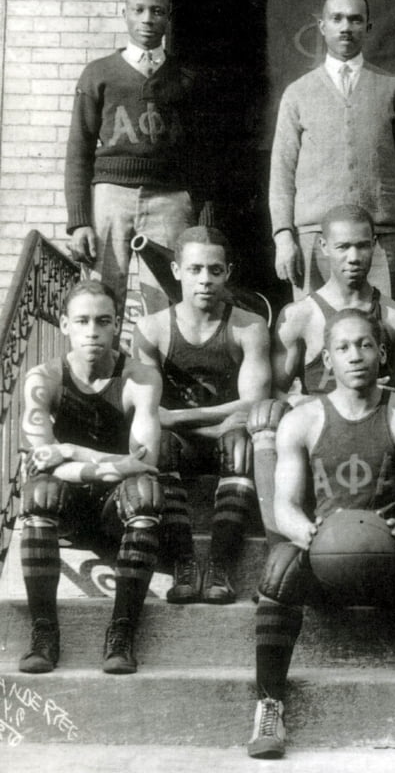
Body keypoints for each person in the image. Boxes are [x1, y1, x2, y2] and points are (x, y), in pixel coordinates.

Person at [247, 309, 395, 762]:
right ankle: (269, 704)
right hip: (326, 559)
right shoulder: (303, 419)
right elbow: (285, 505)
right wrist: (308, 534)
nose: (356, 356)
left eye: (366, 345)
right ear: (326, 360)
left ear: (383, 354)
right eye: (344, 348)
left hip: (387, 554)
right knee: (280, 565)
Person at [18, 280, 163, 675]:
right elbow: (43, 466)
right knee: (40, 494)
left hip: (117, 508)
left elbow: (146, 463)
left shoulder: (140, 378)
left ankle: (122, 633)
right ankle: (44, 633)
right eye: (82, 321)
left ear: (118, 325)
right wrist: (102, 463)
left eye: (103, 321)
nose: (92, 331)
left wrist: (71, 450)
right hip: (70, 506)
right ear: (65, 325)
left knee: (145, 492)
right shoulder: (42, 379)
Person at [133, 226, 280, 603]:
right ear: (177, 271)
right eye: (195, 269)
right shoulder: (150, 329)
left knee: (239, 445)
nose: (205, 280)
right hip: (190, 441)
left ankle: (219, 566)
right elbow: (149, 413)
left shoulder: (249, 326)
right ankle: (184, 563)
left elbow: (251, 404)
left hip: (227, 442)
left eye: (215, 270)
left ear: (228, 272)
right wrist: (209, 424)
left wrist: (178, 418)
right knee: (158, 444)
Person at [269, 0, 395, 299]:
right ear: (322, 26)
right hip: (315, 239)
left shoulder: (392, 88)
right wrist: (284, 236)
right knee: (317, 331)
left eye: (355, 20)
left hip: (379, 238)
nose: (345, 27)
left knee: (379, 329)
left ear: (367, 27)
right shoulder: (298, 93)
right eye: (336, 18)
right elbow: (282, 174)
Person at [65, 0, 211, 312]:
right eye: (139, 10)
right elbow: (79, 150)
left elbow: (201, 154)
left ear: (168, 17)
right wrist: (79, 221)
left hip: (170, 198)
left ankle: (155, 366)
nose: (147, 19)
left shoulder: (186, 78)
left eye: (157, 11)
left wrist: (202, 215)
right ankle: (101, 365)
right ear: (125, 15)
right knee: (101, 295)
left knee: (167, 300)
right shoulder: (99, 74)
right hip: (111, 195)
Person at [272, 204, 395, 401]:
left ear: (374, 244)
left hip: (381, 426)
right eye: (343, 247)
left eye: (362, 246)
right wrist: (346, 399)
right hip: (322, 427)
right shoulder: (299, 316)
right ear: (324, 246)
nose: (353, 258)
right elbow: (273, 393)